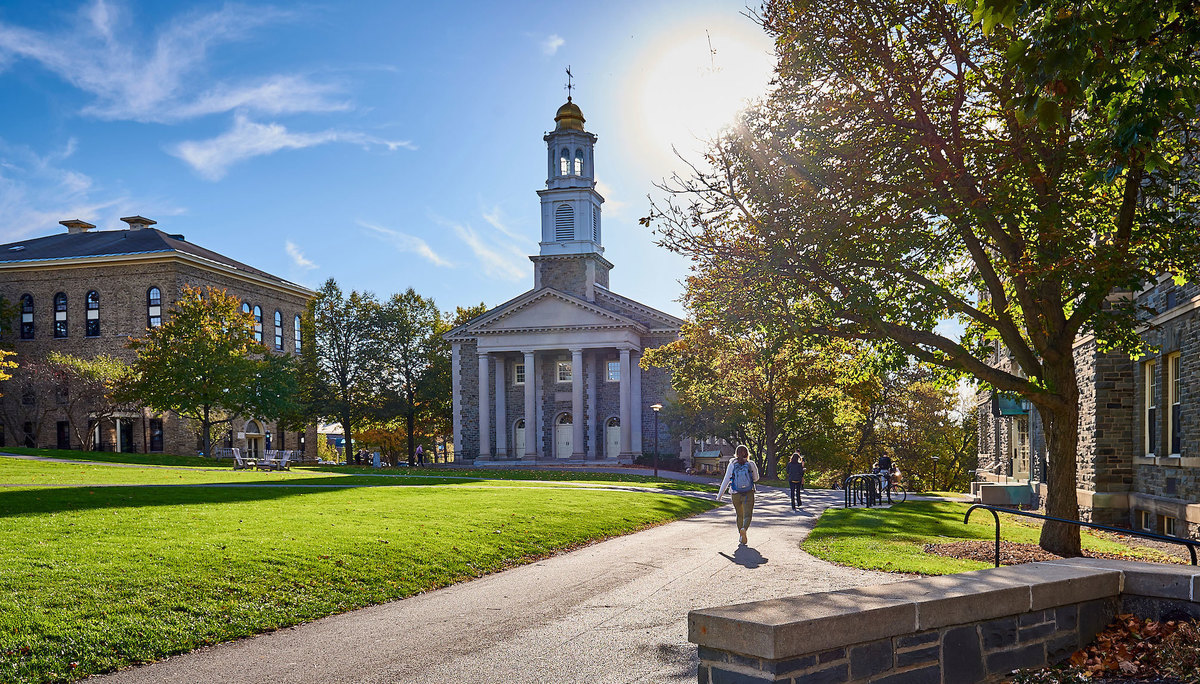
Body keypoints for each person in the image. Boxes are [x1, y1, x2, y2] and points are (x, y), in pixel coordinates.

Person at [717, 445, 759, 545]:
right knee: (747, 515)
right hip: (749, 493)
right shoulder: (751, 464)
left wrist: (719, 496)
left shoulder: (731, 464)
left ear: (736, 453)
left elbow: (726, 480)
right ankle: (744, 529)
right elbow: (756, 478)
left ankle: (741, 535)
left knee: (739, 515)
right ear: (747, 453)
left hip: (735, 493)